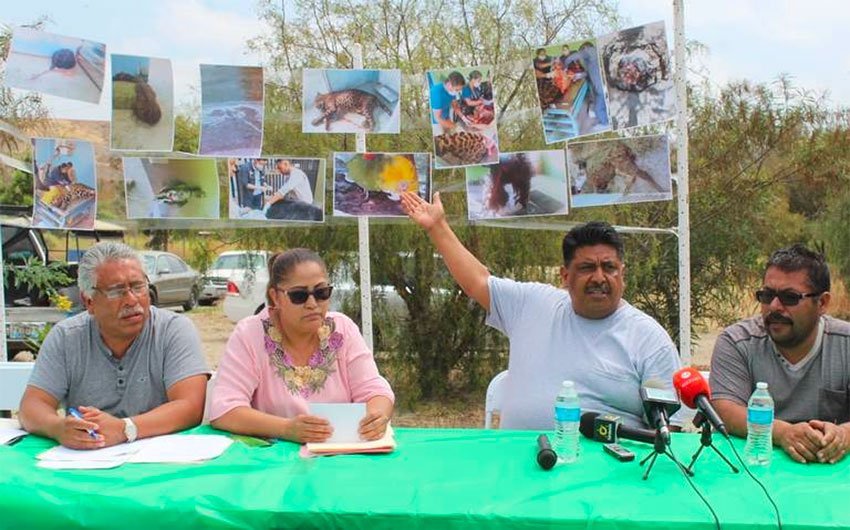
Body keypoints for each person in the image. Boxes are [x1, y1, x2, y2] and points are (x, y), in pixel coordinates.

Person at [400, 192, 683, 430]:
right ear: (564, 276)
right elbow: (478, 281)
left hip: (608, 479)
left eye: (609, 267)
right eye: (586, 268)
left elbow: (672, 430)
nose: (599, 277)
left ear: (623, 274)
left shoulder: (649, 340)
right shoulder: (532, 304)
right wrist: (437, 227)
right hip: (518, 472)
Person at [18, 242, 210, 450]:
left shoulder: (173, 330)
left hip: (160, 461)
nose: (131, 300)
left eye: (138, 286)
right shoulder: (67, 337)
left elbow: (190, 407)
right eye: (116, 291)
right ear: (89, 301)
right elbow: (31, 406)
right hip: (88, 459)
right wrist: (58, 428)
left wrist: (124, 429)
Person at [210, 249, 394, 443]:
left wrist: (375, 418)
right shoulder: (250, 334)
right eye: (299, 296)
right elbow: (225, 410)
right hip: (274, 463)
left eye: (322, 292)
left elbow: (375, 391)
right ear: (275, 297)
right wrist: (285, 429)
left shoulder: (342, 329)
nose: (312, 303)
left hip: (340, 458)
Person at [710, 244, 850, 464]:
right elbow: (725, 410)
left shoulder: (846, 344)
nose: (774, 307)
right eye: (767, 295)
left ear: (822, 303)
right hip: (753, 469)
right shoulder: (737, 342)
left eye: (790, 297)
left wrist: (844, 436)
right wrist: (783, 433)